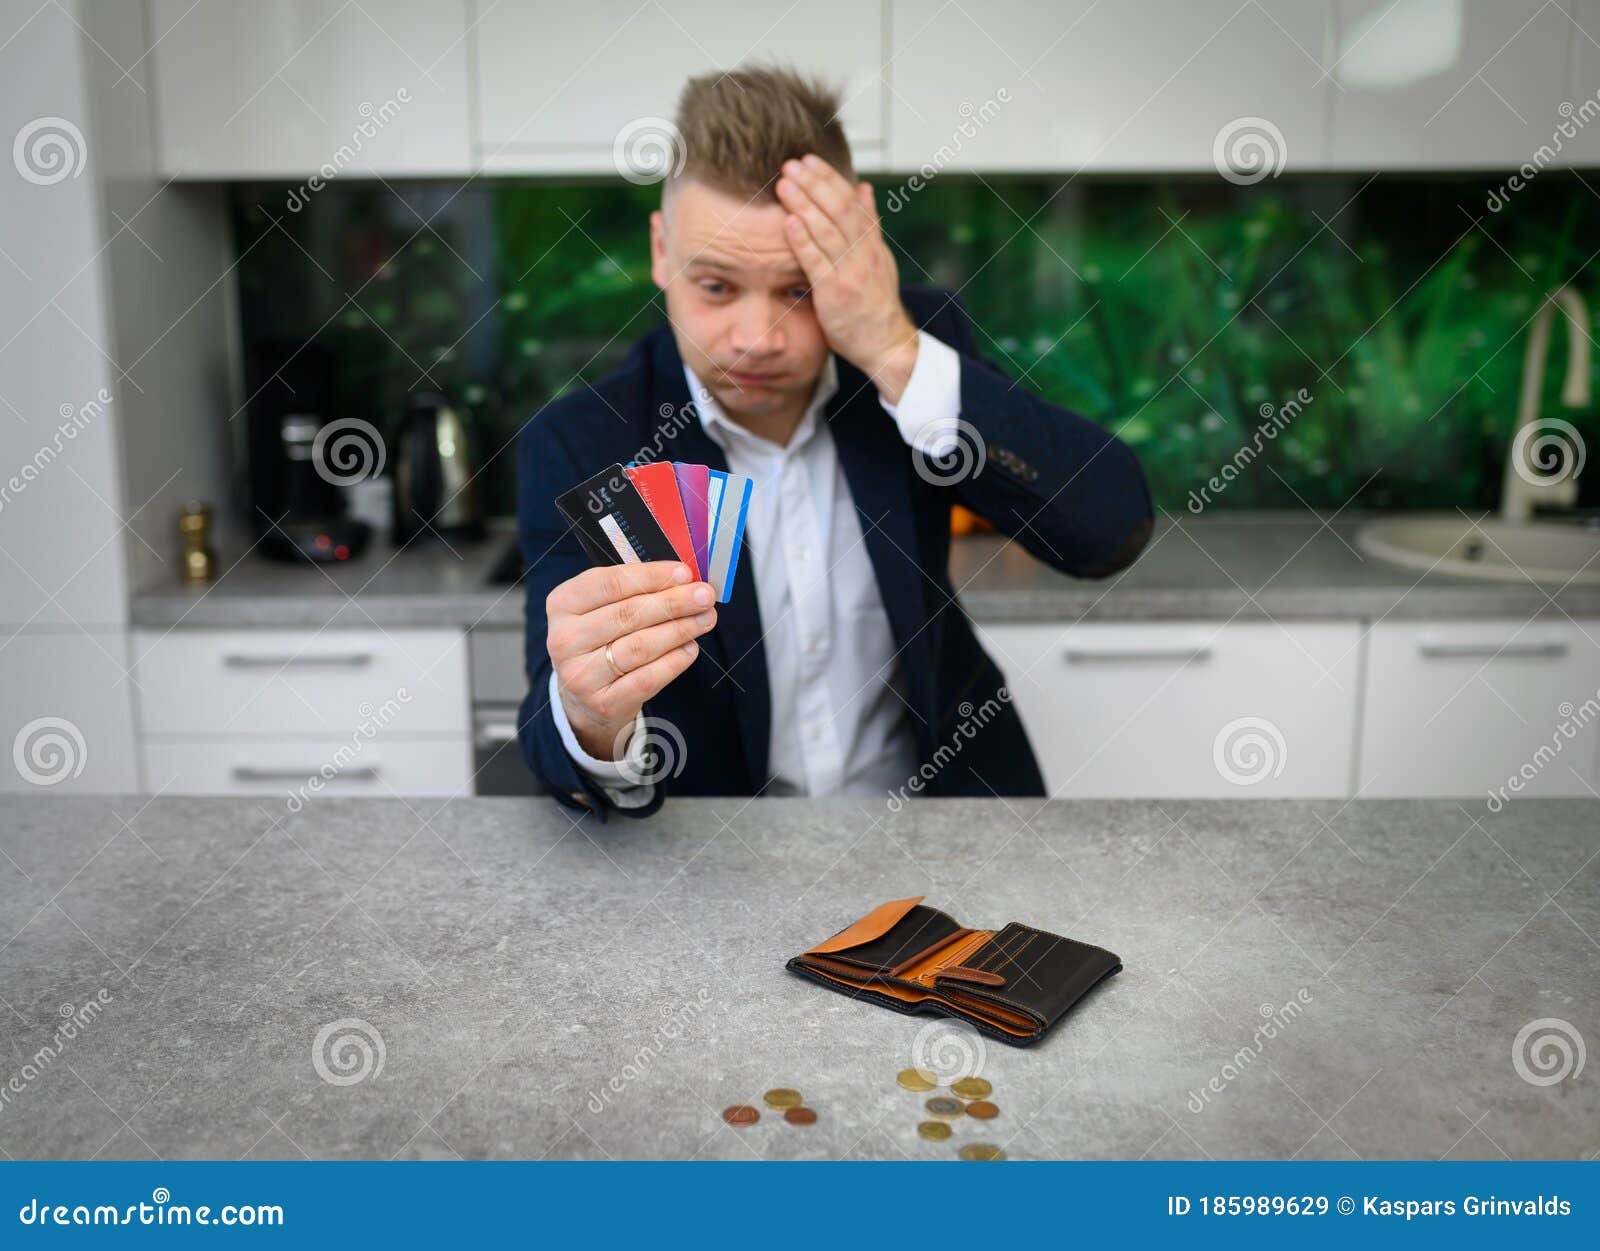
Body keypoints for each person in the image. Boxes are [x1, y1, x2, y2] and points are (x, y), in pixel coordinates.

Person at [516, 64, 1151, 820]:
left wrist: (889, 345)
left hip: (942, 826)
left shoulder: (909, 347)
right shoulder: (586, 441)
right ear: (661, 249)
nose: (757, 339)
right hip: (720, 856)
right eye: (716, 287)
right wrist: (591, 716)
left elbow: (1108, 528)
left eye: (801, 290)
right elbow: (551, 736)